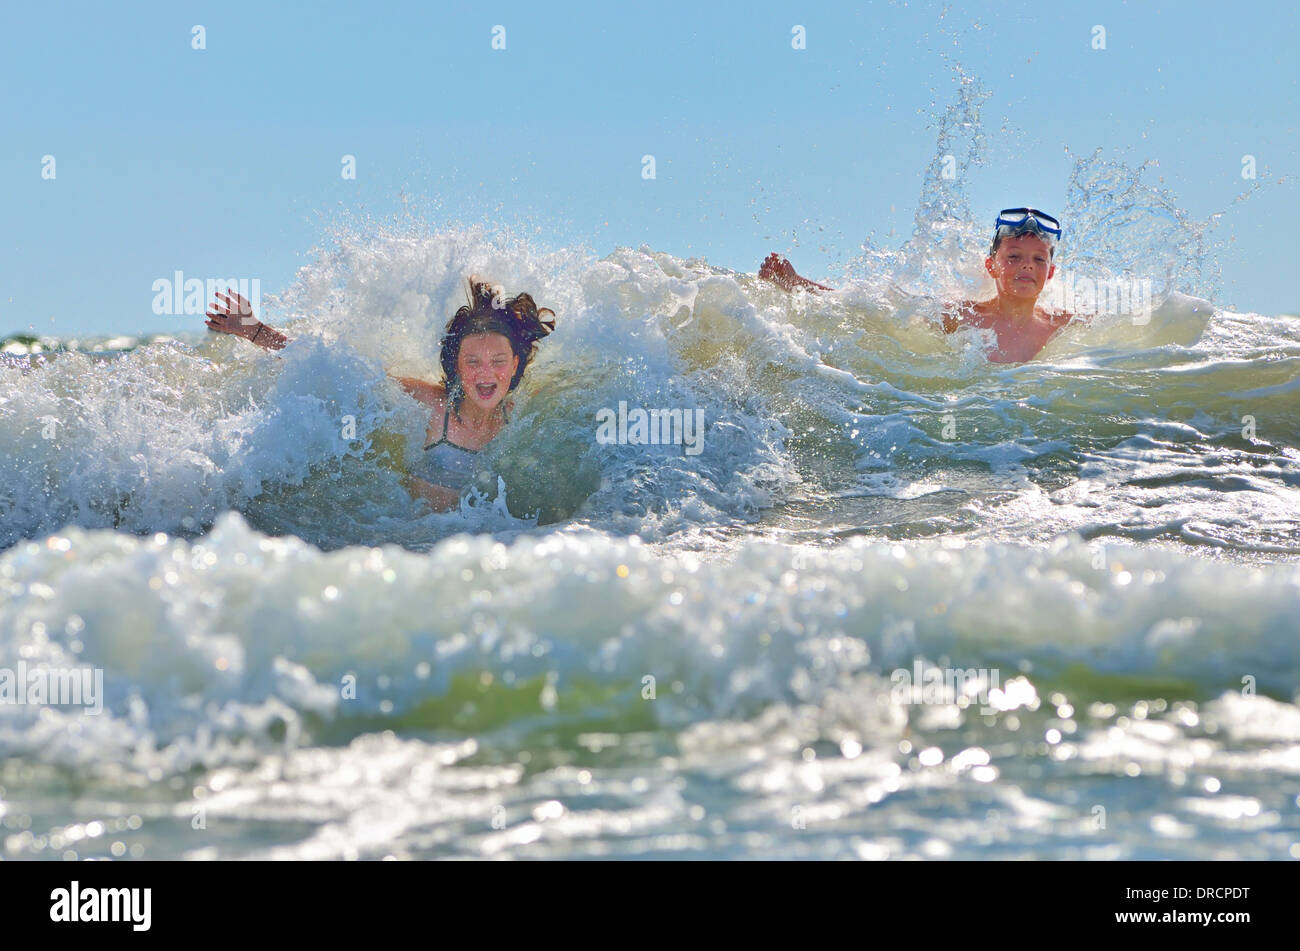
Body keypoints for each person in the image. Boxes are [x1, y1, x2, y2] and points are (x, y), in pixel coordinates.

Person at [204, 277, 555, 512]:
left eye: (498, 360)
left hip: (489, 542)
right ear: (456, 368)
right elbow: (342, 369)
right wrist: (255, 331)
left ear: (515, 365)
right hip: (419, 541)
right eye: (472, 361)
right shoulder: (430, 406)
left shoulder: (522, 415)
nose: (486, 373)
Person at [759, 207, 1074, 363]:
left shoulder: (1060, 325)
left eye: (1038, 259)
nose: (1027, 265)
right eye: (1014, 256)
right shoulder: (962, 317)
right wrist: (796, 284)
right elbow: (871, 312)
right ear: (991, 266)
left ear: (1050, 273)